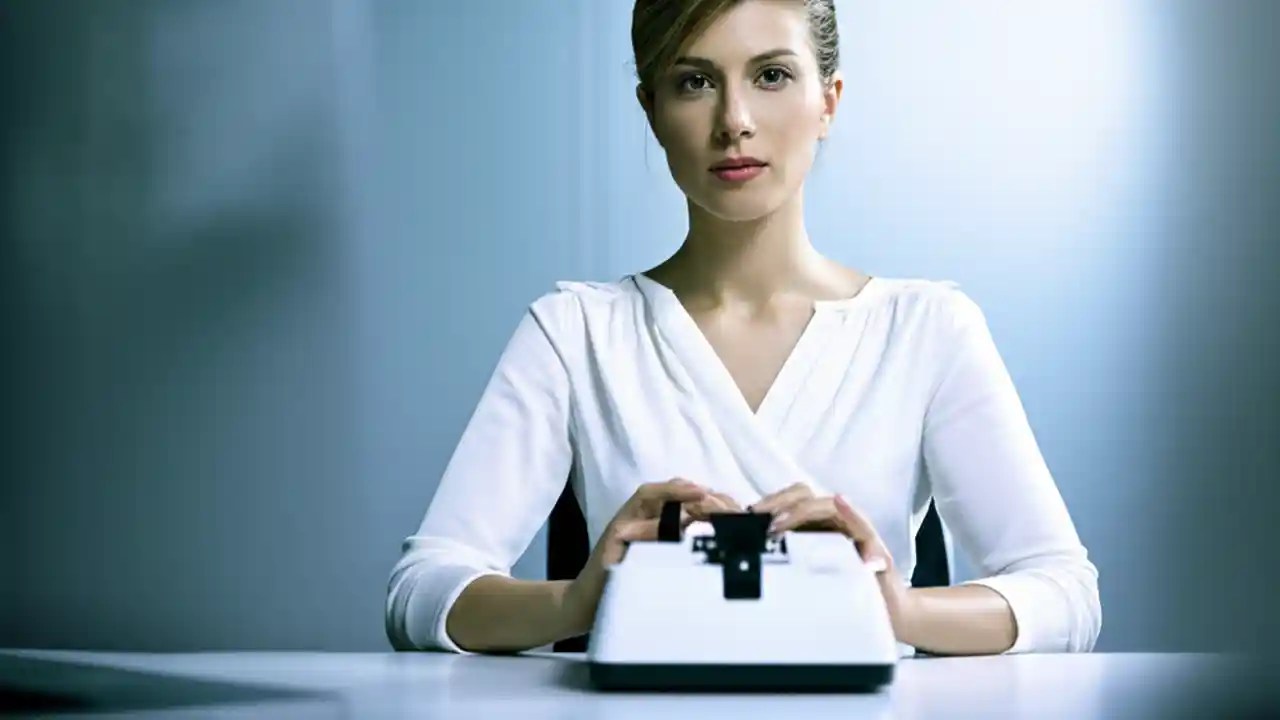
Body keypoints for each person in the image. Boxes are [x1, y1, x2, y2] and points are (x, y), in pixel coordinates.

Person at [385, 0, 1101, 657]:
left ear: (829, 100)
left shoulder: (926, 329)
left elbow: (1066, 592)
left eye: (772, 75)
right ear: (651, 108)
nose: (735, 121)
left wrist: (895, 611)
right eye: (694, 82)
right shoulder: (576, 333)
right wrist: (579, 602)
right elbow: (422, 590)